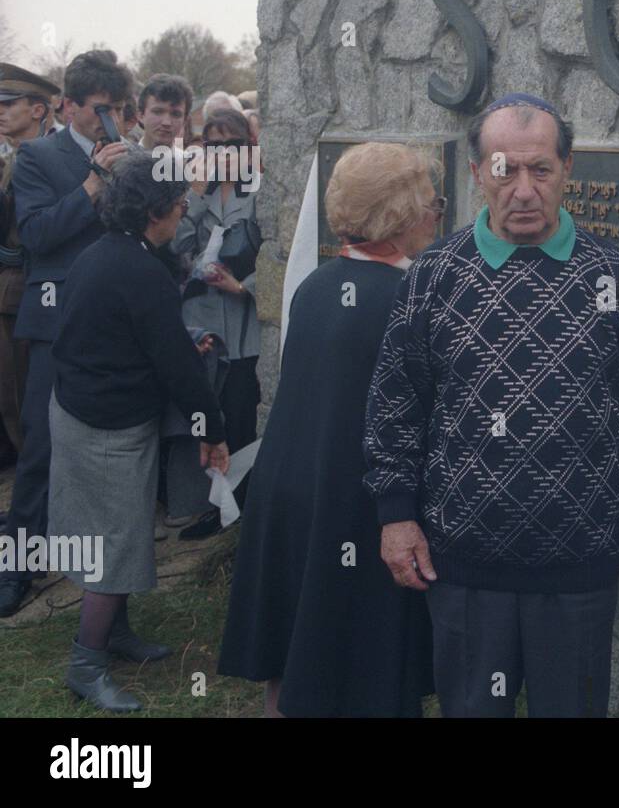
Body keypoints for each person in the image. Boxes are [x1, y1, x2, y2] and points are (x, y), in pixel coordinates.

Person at [365, 93, 619, 718]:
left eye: (541, 170)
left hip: (579, 569)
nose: (523, 190)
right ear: (478, 174)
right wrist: (395, 516)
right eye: (504, 170)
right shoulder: (432, 278)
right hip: (464, 568)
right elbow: (394, 407)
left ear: (567, 170)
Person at [220, 142, 442, 717]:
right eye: (430, 202)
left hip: (292, 488)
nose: (437, 212)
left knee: (298, 648)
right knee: (360, 660)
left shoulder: (318, 285)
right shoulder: (407, 299)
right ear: (402, 214)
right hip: (354, 501)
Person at [48, 147, 229, 712]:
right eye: (177, 204)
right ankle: (86, 665)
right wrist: (213, 430)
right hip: (105, 425)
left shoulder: (103, 253)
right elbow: (177, 368)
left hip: (82, 407)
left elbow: (117, 335)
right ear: (154, 210)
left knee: (119, 533)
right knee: (115, 544)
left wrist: (171, 343)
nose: (182, 212)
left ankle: (116, 634)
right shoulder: (140, 270)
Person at [0, 49, 132, 618]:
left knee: (114, 454)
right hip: (57, 325)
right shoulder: (37, 157)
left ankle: (109, 586)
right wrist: (95, 181)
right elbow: (35, 236)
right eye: (101, 110)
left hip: (116, 324)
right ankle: (15, 566)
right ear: (68, 105)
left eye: (120, 110)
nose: (111, 122)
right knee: (41, 448)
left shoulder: (133, 156)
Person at [170, 108, 260, 540]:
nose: (224, 153)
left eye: (233, 144)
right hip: (202, 319)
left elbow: (277, 252)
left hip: (243, 321)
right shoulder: (195, 192)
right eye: (214, 144)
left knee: (241, 411)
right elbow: (176, 244)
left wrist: (244, 288)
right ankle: (212, 505)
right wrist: (198, 194)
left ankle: (241, 505)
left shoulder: (261, 191)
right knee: (208, 413)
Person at [0, 63, 60, 469]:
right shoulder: (12, 158)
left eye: (9, 103)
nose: (1, 111)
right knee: (11, 397)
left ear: (39, 110)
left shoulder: (52, 158)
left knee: (26, 399)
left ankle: (38, 499)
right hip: (12, 289)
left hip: (32, 291)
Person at [137, 74, 193, 152]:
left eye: (175, 114)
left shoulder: (189, 163)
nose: (166, 122)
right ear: (141, 115)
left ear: (185, 120)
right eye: (158, 112)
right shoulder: (120, 161)